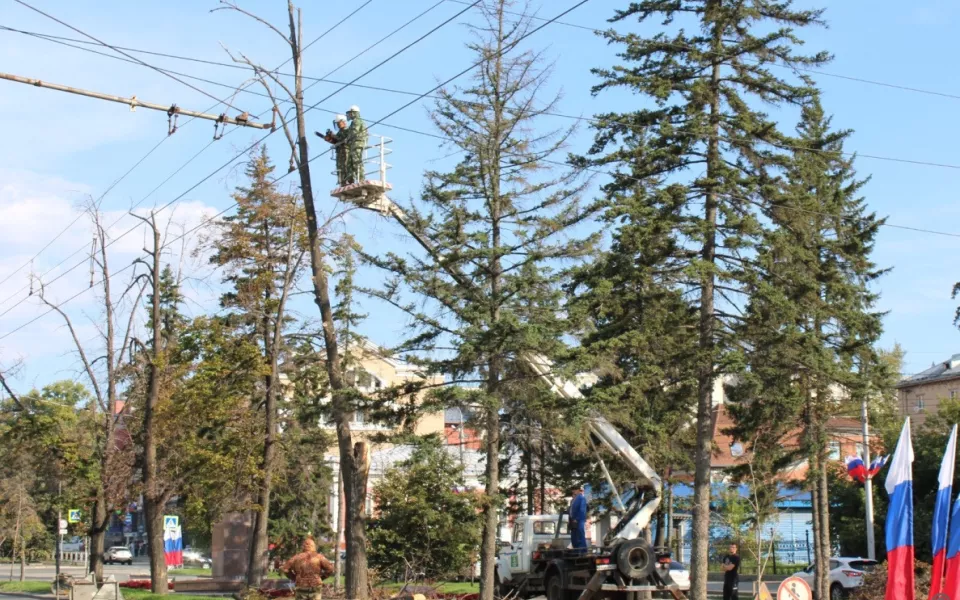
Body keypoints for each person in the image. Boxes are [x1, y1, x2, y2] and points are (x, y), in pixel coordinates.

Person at [316, 115, 349, 185]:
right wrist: (329, 138)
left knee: (345, 167)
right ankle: (342, 182)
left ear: (343, 122)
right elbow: (336, 141)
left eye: (338, 123)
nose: (337, 125)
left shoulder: (347, 130)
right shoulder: (340, 132)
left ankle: (347, 181)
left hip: (345, 151)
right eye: (336, 123)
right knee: (339, 168)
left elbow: (343, 140)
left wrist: (333, 135)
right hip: (339, 152)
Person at [344, 105, 368, 184]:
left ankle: (361, 178)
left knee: (356, 162)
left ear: (354, 113)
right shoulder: (354, 122)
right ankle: (350, 179)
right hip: (354, 145)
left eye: (350, 113)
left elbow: (354, 132)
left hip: (357, 144)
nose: (349, 115)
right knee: (350, 163)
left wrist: (347, 139)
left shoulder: (356, 121)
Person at [568, 485, 588, 551]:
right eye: (573, 489)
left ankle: (582, 551)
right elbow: (571, 510)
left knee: (580, 535)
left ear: (578, 490)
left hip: (579, 520)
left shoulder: (581, 498)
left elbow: (582, 510)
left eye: (575, 489)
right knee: (574, 536)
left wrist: (577, 518)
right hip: (572, 520)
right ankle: (576, 550)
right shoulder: (573, 499)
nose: (573, 491)